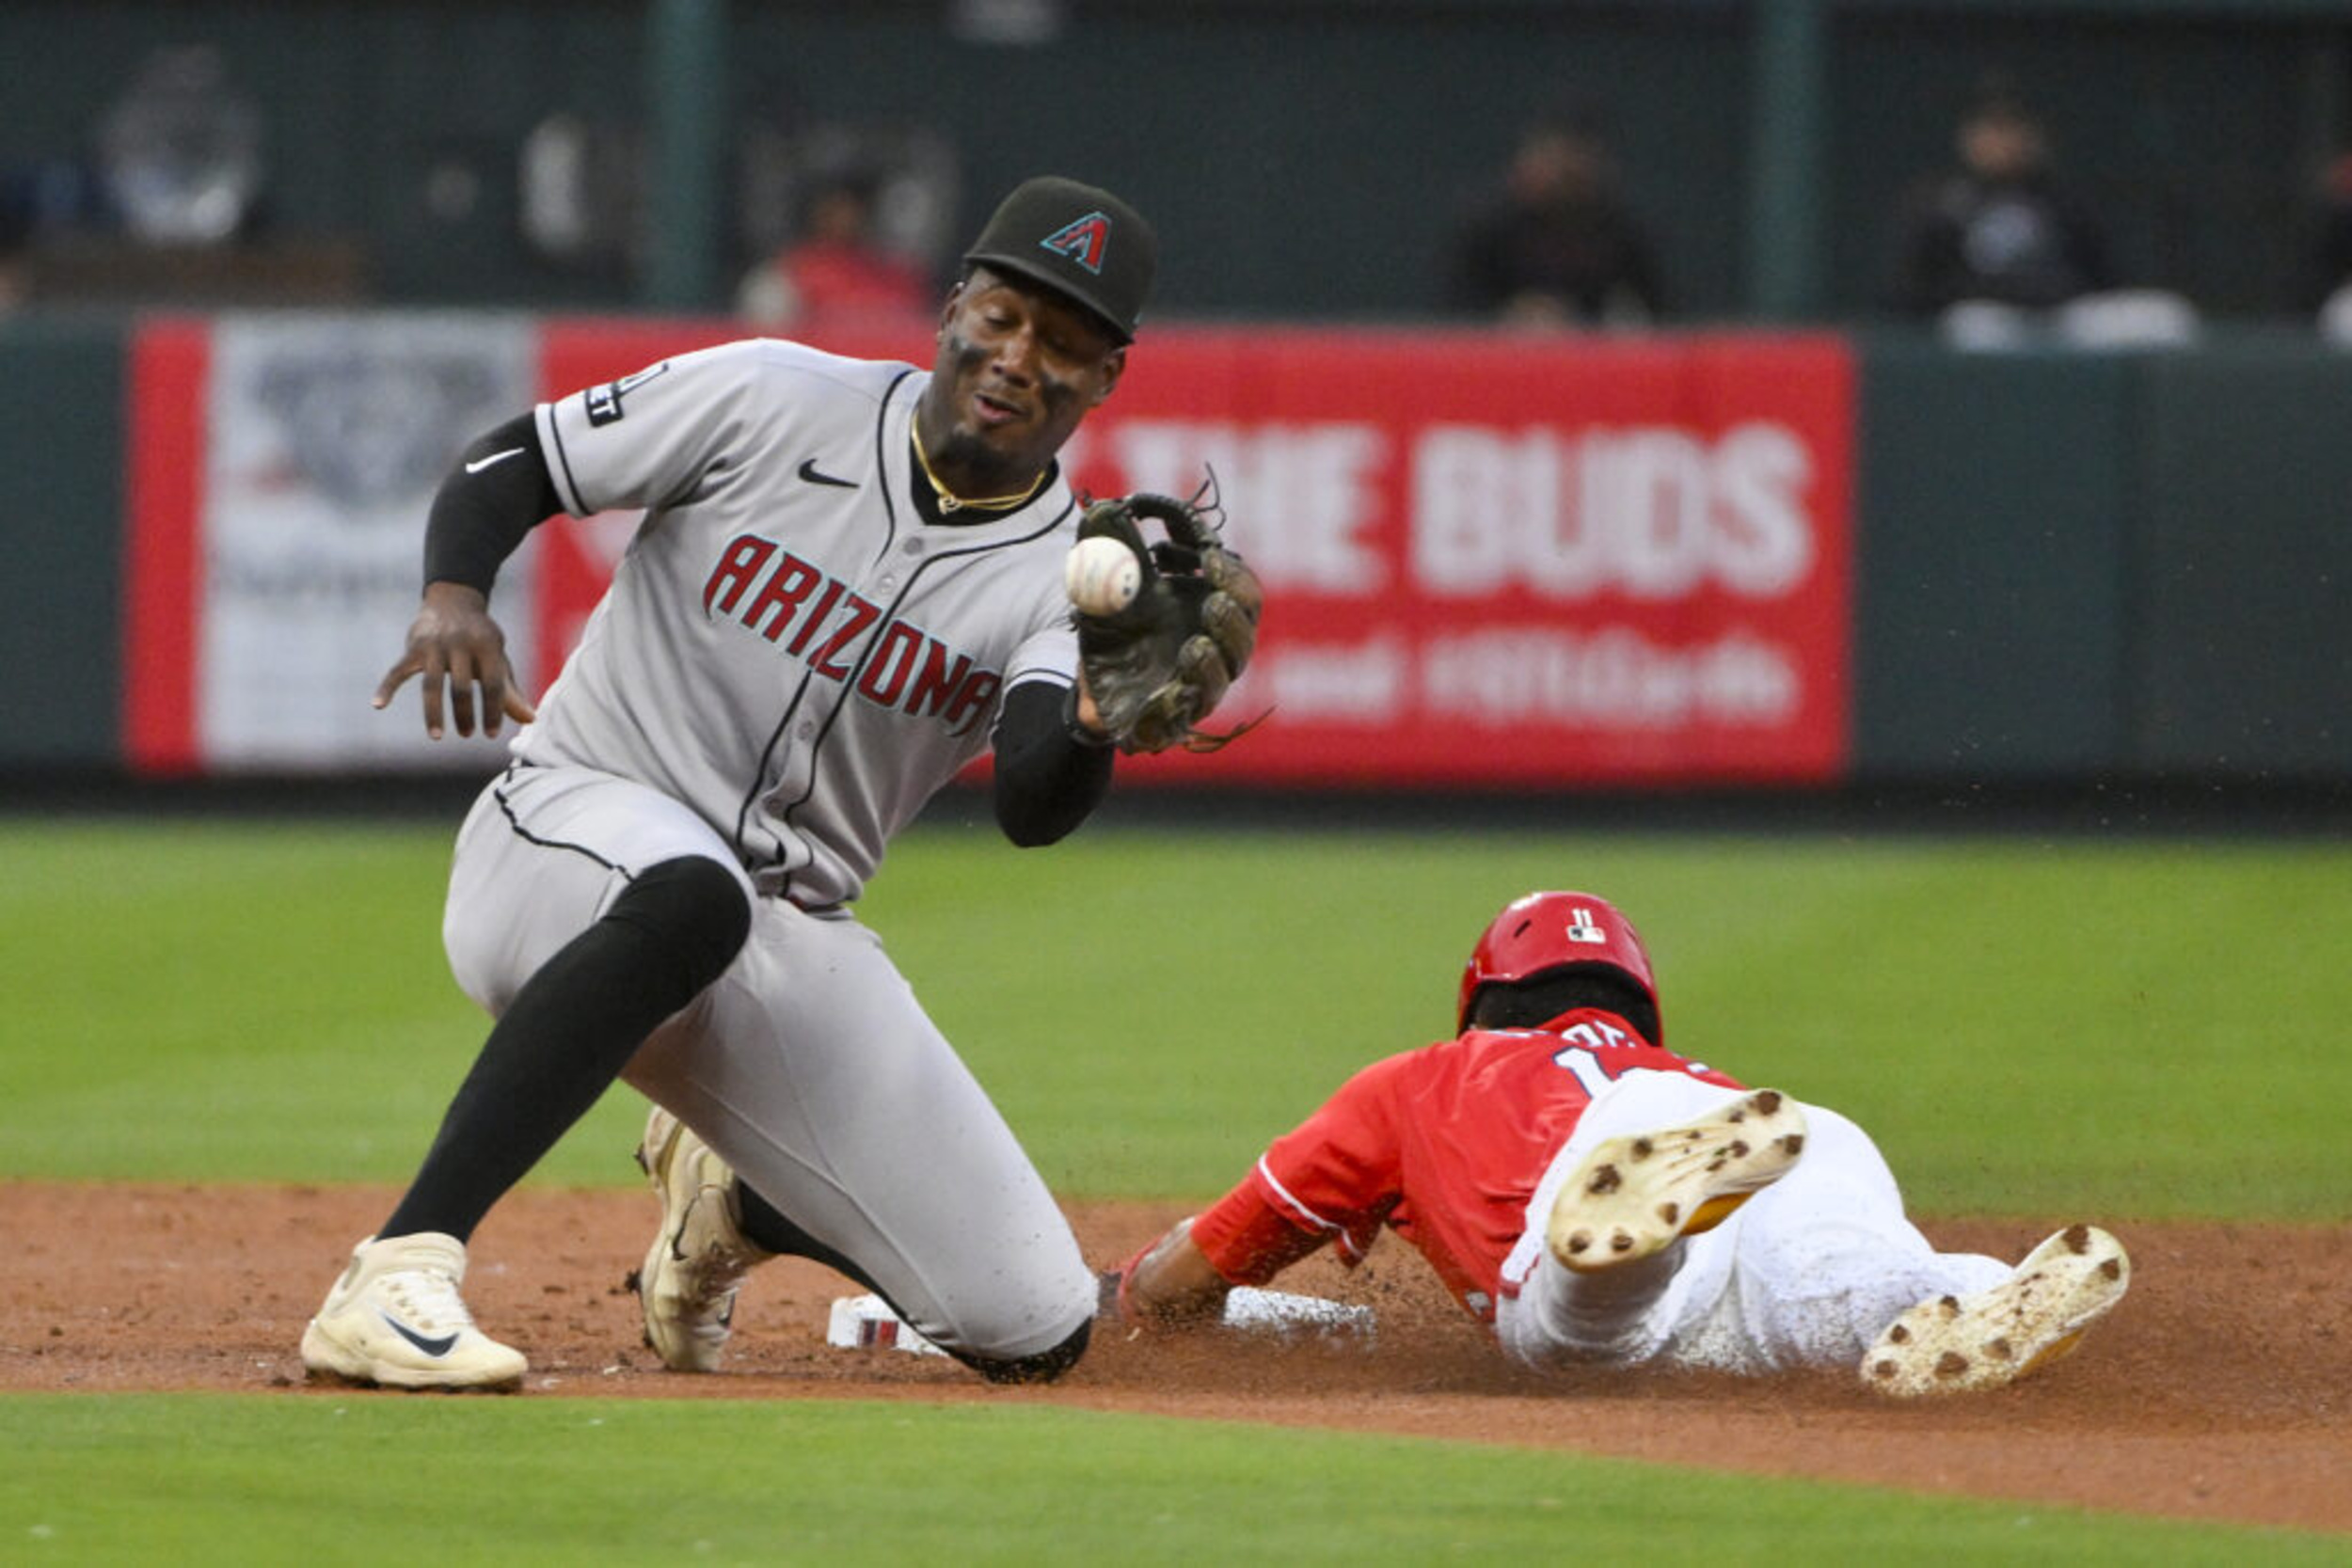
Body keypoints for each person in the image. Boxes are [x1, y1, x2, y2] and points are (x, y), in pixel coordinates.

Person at [301, 175, 1257, 1391]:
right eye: (1006, 315)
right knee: (688, 892)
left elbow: (1030, 802)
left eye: (1065, 341)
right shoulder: (772, 393)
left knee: (1035, 1321)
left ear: (1107, 376)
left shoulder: (1062, 575)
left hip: (783, 931)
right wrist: (453, 593)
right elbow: (514, 460)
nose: (1022, 358)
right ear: (953, 307)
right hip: (563, 838)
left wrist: (1089, 722)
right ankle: (397, 1267)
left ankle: (734, 1204)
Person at [1108, 891, 2131, 1397]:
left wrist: (1134, 1289)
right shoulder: (1695, 1080)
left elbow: (1193, 1275)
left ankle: (1628, 1242)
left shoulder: (1420, 1078)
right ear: (1635, 1002)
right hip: (1795, 1132)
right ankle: (1976, 1283)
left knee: (1585, 1337)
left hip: (1601, 1171)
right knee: (1837, 1295)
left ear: (1484, 997)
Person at [1444, 114, 1664, 328]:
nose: (1561, 179)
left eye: (1572, 173)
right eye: (1548, 161)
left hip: (1587, 355)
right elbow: (1456, 312)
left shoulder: (1617, 234)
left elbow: (1661, 315)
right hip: (1501, 356)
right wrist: (1513, 315)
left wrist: (1585, 322)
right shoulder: (1491, 229)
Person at [738, 174, 933, 329]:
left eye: (854, 209)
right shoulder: (788, 274)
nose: (845, 219)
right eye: (834, 210)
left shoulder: (896, 274)